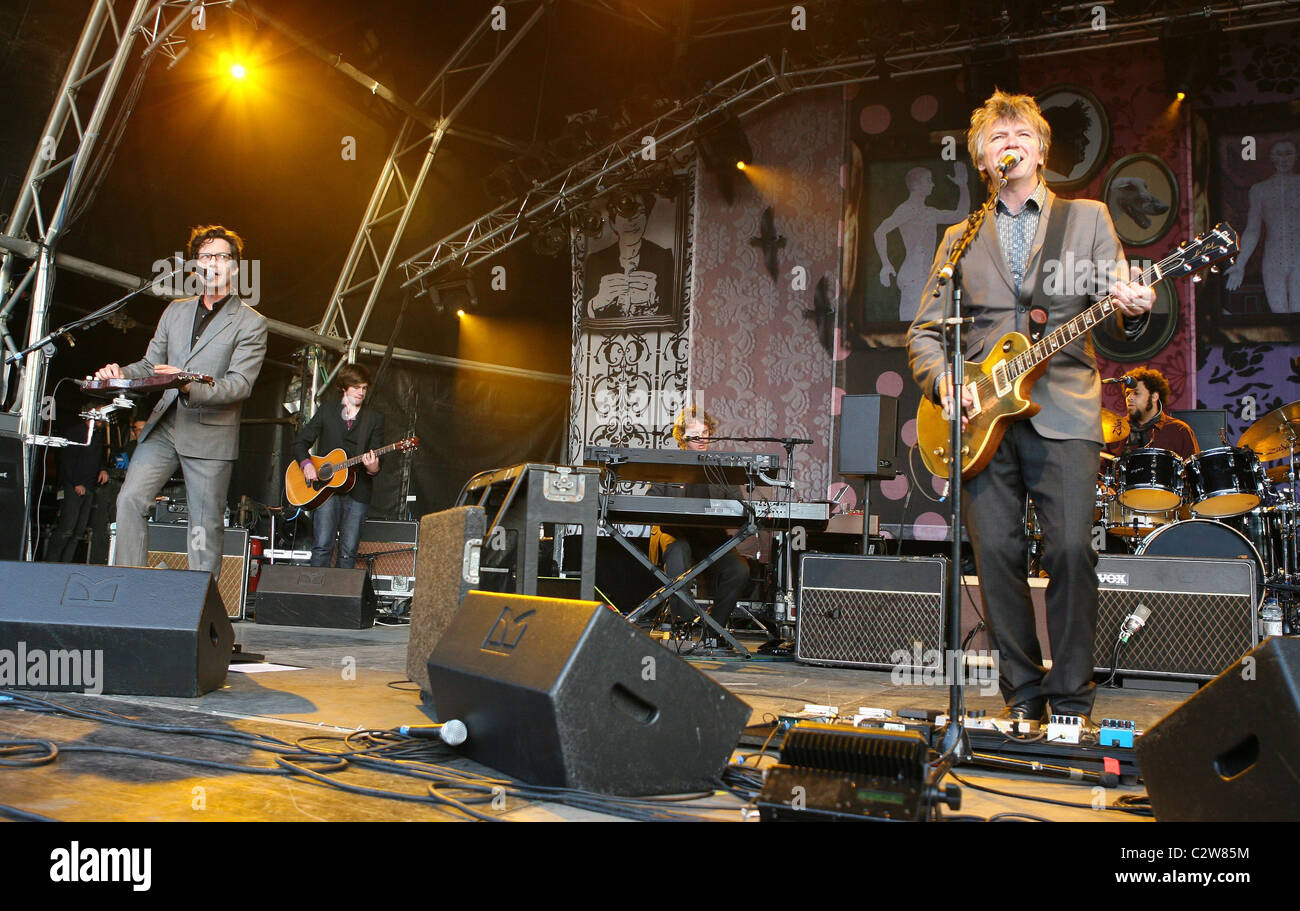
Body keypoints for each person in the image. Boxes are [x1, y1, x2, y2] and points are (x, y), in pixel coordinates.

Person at [906, 91, 1155, 727]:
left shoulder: (1088, 220)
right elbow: (926, 333)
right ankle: (1021, 694)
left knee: (1071, 550)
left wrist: (1132, 309)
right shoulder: (960, 237)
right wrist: (946, 381)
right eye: (997, 137)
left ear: (1041, 151)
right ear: (982, 160)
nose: (1009, 143)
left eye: (1021, 134)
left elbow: (1117, 321)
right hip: (980, 419)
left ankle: (1070, 700)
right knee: (995, 557)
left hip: (1064, 408)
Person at [93, 225, 267, 581]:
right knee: (129, 500)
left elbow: (239, 385)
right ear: (195, 266)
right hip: (166, 425)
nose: (212, 263)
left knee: (203, 528)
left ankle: (198, 607)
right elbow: (149, 365)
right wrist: (118, 374)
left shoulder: (251, 323)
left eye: (221, 256)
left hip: (210, 432)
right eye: (205, 256)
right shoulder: (175, 310)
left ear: (235, 266)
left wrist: (186, 383)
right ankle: (129, 587)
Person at [652, 406, 750, 636]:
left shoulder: (721, 467)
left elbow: (738, 505)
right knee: (677, 552)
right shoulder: (668, 464)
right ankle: (683, 626)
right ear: (682, 437)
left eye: (705, 433)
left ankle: (713, 631)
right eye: (695, 434)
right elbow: (651, 499)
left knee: (739, 569)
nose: (702, 439)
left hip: (709, 537)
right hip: (675, 533)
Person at [291, 364, 384, 568]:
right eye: (356, 387)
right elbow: (300, 443)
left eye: (364, 388)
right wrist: (307, 464)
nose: (361, 392)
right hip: (326, 490)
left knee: (348, 552)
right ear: (343, 387)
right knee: (322, 546)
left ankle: (342, 591)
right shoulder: (327, 411)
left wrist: (373, 467)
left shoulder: (374, 418)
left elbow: (377, 463)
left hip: (358, 491)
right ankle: (316, 588)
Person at [875, 162, 970, 322]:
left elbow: (960, 215)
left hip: (925, 276)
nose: (932, 184)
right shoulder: (907, 209)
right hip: (913, 277)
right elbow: (879, 232)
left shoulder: (929, 212)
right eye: (928, 180)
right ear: (916, 185)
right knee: (914, 326)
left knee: (927, 327)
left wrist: (963, 186)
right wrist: (885, 264)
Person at [1224, 139, 1299, 312]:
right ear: (1272, 157)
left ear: (1295, 156)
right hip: (1273, 260)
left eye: (1288, 153)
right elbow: (1253, 230)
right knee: (1278, 313)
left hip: (1299, 258)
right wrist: (1240, 264)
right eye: (1279, 154)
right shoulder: (1260, 190)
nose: (1283, 159)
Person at [583, 190, 675, 319]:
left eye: (640, 213)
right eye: (623, 214)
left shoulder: (663, 257)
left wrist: (656, 301)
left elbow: (675, 312)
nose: (632, 221)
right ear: (613, 223)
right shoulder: (595, 261)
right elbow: (584, 317)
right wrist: (597, 302)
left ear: (646, 218)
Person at [45, 407, 108, 563]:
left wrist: (103, 469)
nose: (102, 419)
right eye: (99, 415)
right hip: (74, 486)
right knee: (67, 528)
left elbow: (98, 457)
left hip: (89, 486)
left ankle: (66, 564)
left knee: (78, 532)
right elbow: (67, 460)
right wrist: (76, 483)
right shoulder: (76, 432)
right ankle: (51, 563)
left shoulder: (98, 434)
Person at [1109, 367, 1198, 458]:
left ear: (1154, 396)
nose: (1129, 398)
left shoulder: (1179, 430)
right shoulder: (1114, 429)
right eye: (1127, 394)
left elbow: (1193, 466)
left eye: (1136, 393)